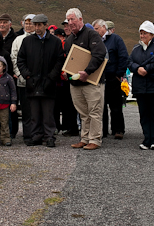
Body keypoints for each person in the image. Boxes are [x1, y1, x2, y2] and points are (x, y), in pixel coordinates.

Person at [17, 14, 65, 147]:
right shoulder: (27, 42)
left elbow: (59, 60)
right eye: (34, 25)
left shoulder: (55, 42)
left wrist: (52, 77)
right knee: (34, 112)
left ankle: (49, 136)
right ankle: (36, 136)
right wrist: (27, 75)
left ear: (45, 25)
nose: (36, 28)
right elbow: (20, 60)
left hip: (49, 83)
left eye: (39, 25)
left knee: (48, 113)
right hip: (32, 83)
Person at [64, 8, 107, 150]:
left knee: (94, 111)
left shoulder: (92, 35)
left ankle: (95, 139)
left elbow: (99, 55)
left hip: (92, 82)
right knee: (83, 112)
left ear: (80, 19)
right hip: (76, 83)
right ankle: (85, 138)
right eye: (68, 20)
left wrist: (87, 72)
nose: (70, 23)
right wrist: (66, 72)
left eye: (72, 19)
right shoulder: (69, 39)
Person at [129, 21, 154, 150]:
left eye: (145, 33)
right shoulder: (136, 48)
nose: (142, 36)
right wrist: (137, 69)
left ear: (152, 34)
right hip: (141, 87)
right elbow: (129, 62)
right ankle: (148, 139)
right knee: (144, 114)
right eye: (141, 33)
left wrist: (147, 69)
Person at [94, 19, 129, 140]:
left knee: (115, 105)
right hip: (99, 77)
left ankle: (118, 130)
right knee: (100, 105)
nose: (95, 31)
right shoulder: (95, 40)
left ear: (104, 27)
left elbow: (123, 56)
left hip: (113, 77)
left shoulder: (116, 39)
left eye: (97, 29)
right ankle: (102, 130)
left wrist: (118, 74)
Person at [10, 14, 36, 142]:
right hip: (22, 80)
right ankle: (27, 135)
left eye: (31, 23)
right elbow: (14, 58)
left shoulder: (40, 39)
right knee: (26, 109)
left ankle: (38, 133)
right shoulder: (18, 40)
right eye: (26, 23)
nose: (29, 25)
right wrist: (20, 74)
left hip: (38, 81)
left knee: (37, 109)